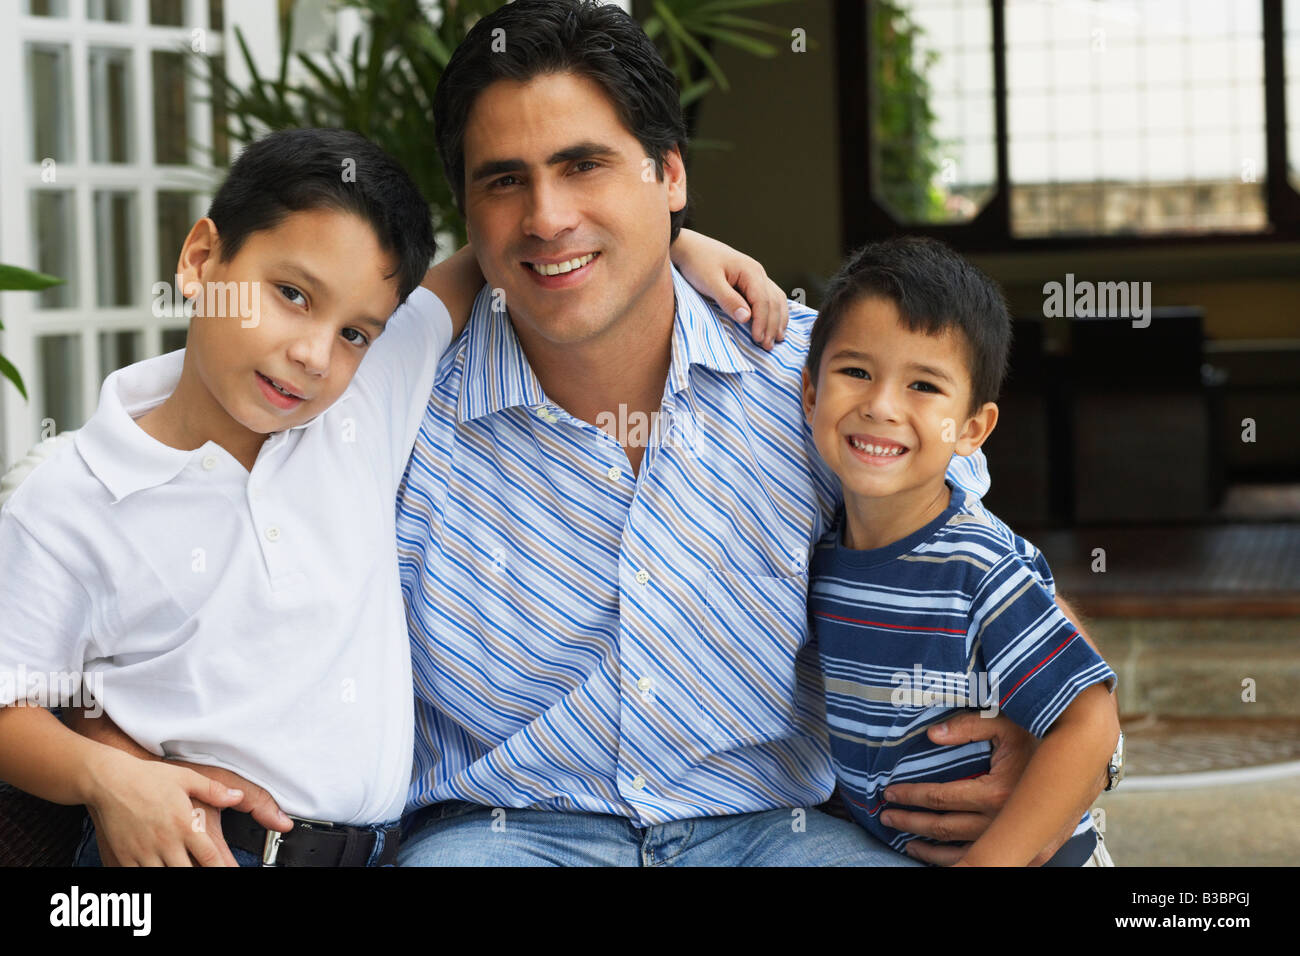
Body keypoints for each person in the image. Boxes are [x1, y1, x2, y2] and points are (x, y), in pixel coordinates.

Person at [389, 0, 1111, 866]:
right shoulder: (398, 418)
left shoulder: (823, 386)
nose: (546, 216)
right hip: (505, 833)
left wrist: (1066, 751)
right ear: (466, 209)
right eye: (503, 181)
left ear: (671, 176)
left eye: (585, 165)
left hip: (779, 833)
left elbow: (987, 578)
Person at [0, 125, 781, 867]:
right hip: (196, 848)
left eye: (355, 333)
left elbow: (503, 255)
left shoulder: (359, 410)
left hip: (375, 850)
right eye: (291, 295)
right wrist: (108, 779)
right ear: (202, 258)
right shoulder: (73, 497)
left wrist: (671, 241)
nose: (311, 355)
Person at [800, 237, 1120, 866]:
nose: (881, 405)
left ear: (972, 429)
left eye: (923, 384)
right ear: (810, 392)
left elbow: (1090, 723)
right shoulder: (820, 555)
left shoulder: (976, 566)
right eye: (856, 371)